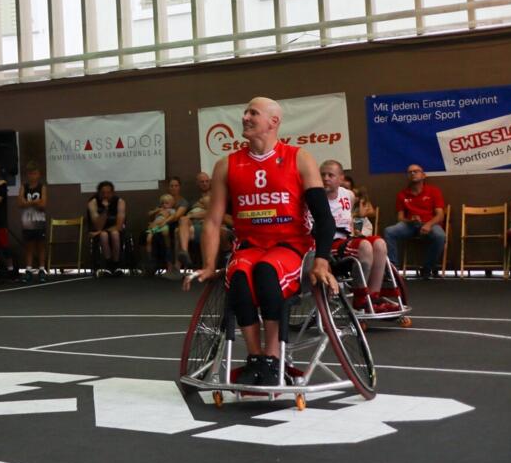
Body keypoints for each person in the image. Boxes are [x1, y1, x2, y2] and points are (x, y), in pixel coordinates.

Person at [184, 97, 338, 388]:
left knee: (267, 273)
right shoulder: (226, 165)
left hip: (291, 245)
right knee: (239, 276)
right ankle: (256, 358)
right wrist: (207, 264)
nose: (245, 117)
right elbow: (214, 221)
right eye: (244, 112)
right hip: (250, 246)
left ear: (273, 121)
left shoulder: (298, 158)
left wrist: (322, 260)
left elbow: (324, 218)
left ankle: (273, 356)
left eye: (253, 113)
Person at [318, 160, 395, 314]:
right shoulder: (315, 197)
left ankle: (373, 295)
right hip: (327, 244)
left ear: (341, 178)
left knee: (379, 243)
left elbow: (352, 216)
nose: (326, 178)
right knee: (365, 247)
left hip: (346, 239)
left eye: (330, 175)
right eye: (323, 175)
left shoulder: (349, 195)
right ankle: (360, 298)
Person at [383, 165, 446, 279]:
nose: (412, 174)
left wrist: (428, 224)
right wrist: (410, 220)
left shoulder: (433, 191)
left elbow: (440, 215)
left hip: (430, 224)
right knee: (389, 231)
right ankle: (393, 270)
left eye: (416, 171)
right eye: (410, 172)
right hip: (410, 225)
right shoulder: (402, 194)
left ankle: (427, 268)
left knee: (440, 236)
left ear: (423, 175)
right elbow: (400, 218)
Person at [175, 171, 231, 275]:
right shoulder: (193, 200)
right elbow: (188, 216)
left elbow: (214, 213)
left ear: (210, 182)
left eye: (206, 181)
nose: (204, 184)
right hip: (195, 225)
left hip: (213, 225)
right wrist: (191, 216)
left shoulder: (217, 195)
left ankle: (211, 268)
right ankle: (184, 253)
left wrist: (193, 215)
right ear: (197, 183)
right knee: (182, 221)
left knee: (212, 231)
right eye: (202, 182)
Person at [88, 181, 126, 276]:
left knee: (115, 234)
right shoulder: (93, 202)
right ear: (99, 193)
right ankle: (108, 265)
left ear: (113, 193)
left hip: (116, 229)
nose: (106, 195)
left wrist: (101, 231)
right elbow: (98, 226)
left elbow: (119, 224)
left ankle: (116, 264)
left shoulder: (120, 202)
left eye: (108, 193)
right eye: (103, 193)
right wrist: (105, 210)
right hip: (99, 229)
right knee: (104, 235)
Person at [18, 161, 48, 282]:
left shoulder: (42, 187)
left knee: (40, 246)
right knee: (29, 247)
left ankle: (42, 269)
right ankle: (29, 270)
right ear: (27, 175)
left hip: (39, 220)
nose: (32, 176)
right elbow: (20, 203)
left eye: (34, 173)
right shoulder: (23, 187)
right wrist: (34, 202)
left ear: (39, 174)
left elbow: (43, 204)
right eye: (30, 174)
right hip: (27, 222)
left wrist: (28, 203)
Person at [144, 194, 177, 270]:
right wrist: (156, 211)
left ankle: (168, 250)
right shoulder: (159, 209)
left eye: (167, 203)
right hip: (155, 227)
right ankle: (150, 259)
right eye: (163, 203)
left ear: (172, 204)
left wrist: (165, 221)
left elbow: (173, 216)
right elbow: (149, 214)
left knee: (165, 232)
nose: (164, 205)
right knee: (148, 238)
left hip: (163, 226)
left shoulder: (171, 210)